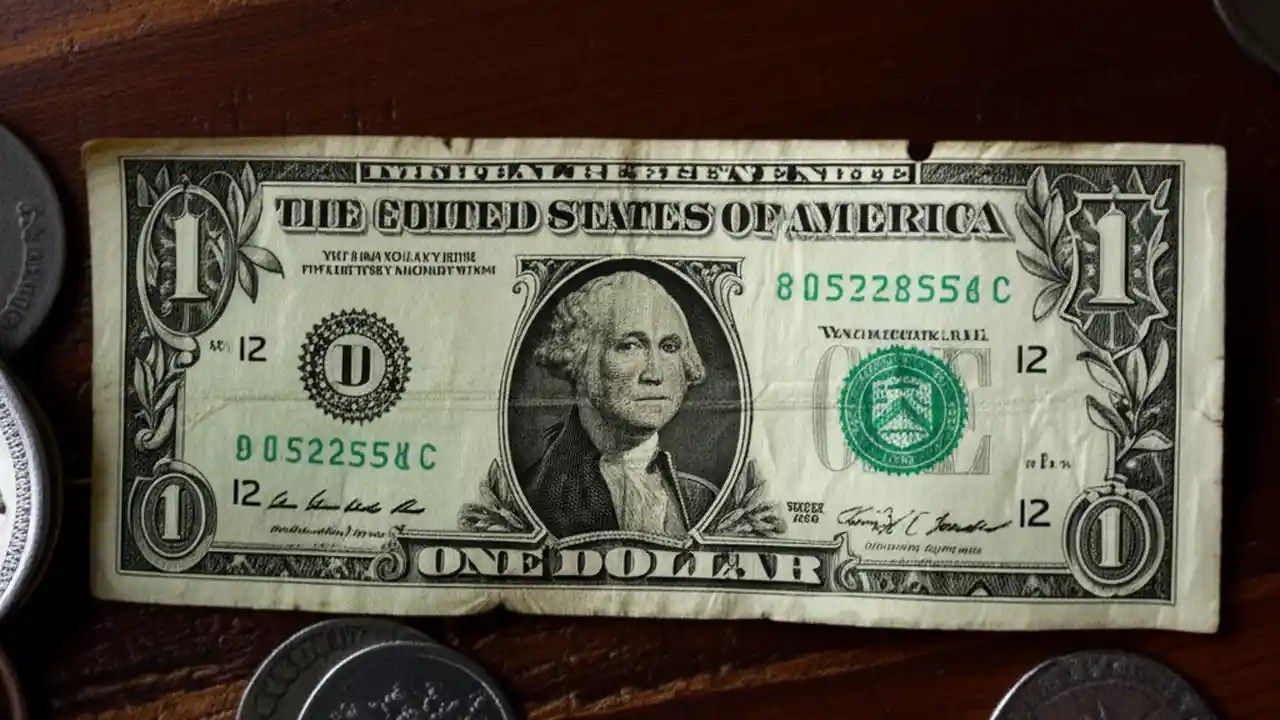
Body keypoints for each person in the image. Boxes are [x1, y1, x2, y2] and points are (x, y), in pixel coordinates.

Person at [523, 270, 718, 538]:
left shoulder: (703, 501)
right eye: (630, 346)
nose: (655, 374)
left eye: (669, 347)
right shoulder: (533, 498)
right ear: (579, 358)